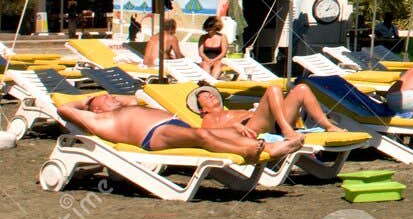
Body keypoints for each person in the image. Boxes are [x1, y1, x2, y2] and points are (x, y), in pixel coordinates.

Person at [57, 95, 300, 162]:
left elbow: (130, 98)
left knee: (236, 131)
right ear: (96, 109)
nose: (112, 98)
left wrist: (108, 100)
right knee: (202, 135)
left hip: (171, 125)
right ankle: (248, 151)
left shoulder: (123, 107)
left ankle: (271, 146)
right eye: (106, 99)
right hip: (154, 134)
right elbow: (65, 109)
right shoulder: (100, 119)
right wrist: (90, 100)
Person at [190, 83, 335, 137]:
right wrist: (234, 127)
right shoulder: (209, 118)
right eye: (206, 98)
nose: (210, 95)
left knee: (301, 89)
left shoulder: (232, 110)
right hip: (254, 131)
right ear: (203, 110)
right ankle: (286, 130)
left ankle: (329, 126)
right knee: (273, 89)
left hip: (273, 124)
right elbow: (208, 135)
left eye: (210, 94)